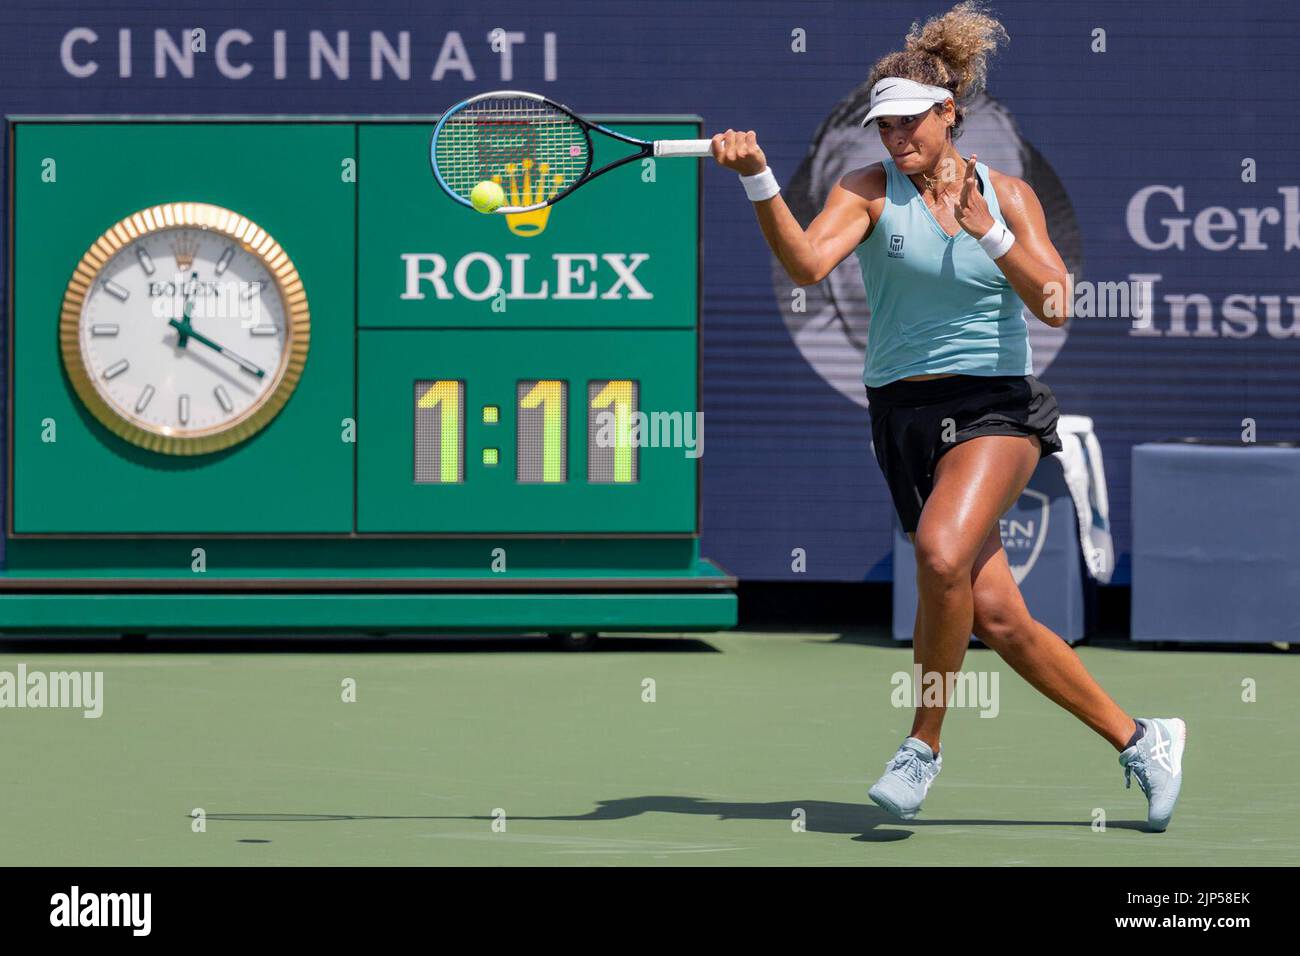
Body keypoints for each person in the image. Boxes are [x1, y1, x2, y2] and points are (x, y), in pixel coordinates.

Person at [709, 1, 1186, 831]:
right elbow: (807, 261)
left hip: (996, 407)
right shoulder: (866, 190)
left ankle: (922, 746)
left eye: (910, 124)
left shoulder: (1008, 195)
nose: (896, 141)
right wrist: (759, 180)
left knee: (937, 549)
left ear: (948, 113)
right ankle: (1142, 738)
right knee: (996, 614)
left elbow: (1057, 303)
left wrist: (993, 234)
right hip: (902, 417)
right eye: (883, 127)